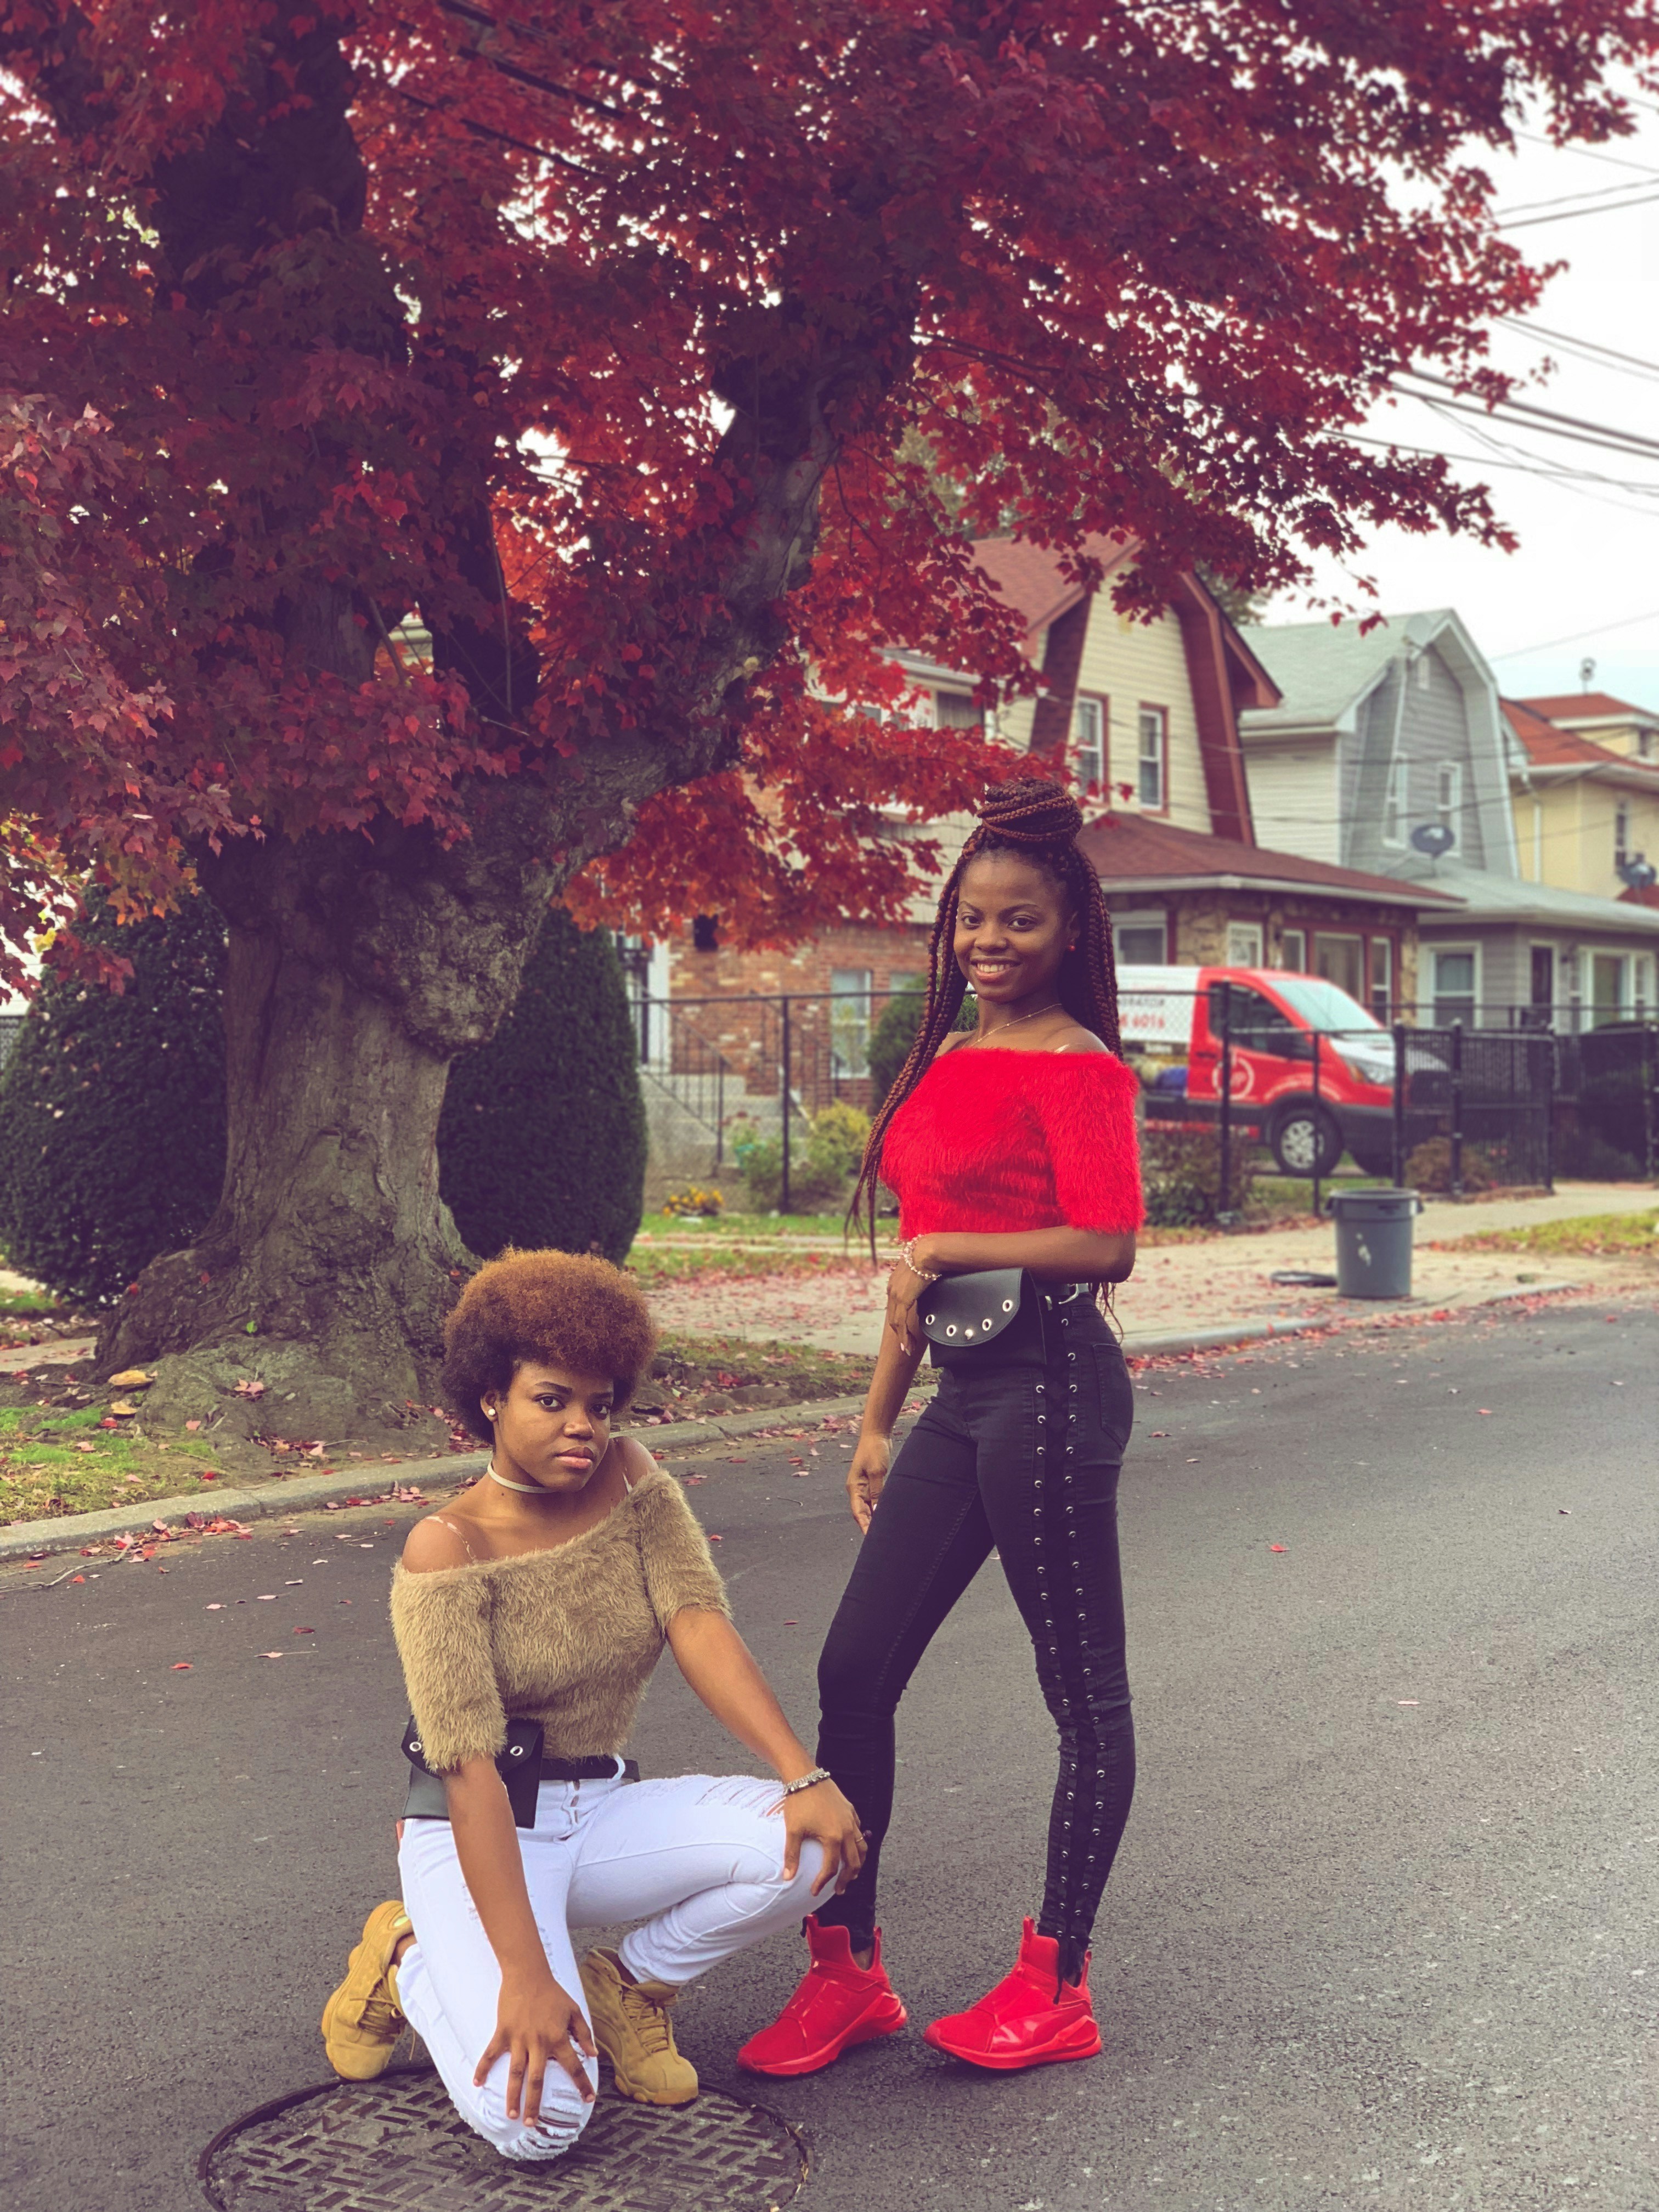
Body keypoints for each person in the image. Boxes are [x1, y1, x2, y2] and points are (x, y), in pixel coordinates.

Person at [738, 777, 1143, 2080]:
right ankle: (847, 1973)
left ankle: (1056, 1982)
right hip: (964, 1394)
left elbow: (1107, 1241)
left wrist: (953, 1243)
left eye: (1018, 922)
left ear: (1069, 928)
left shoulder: (1080, 1068)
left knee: (1080, 1698)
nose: (988, 943)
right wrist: (875, 1418)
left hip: (1056, 1386)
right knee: (854, 1673)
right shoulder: (956, 1057)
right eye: (972, 919)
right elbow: (915, 1272)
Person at [319, 1249, 864, 2163]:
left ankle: (628, 1987)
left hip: (599, 1809)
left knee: (816, 1850)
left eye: (602, 1404)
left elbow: (695, 1620)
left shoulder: (630, 1477)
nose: (584, 1426)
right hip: (475, 1832)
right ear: (491, 1394)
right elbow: (469, 1769)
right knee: (541, 2125)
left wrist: (798, 1772)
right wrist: (527, 1979)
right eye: (552, 1399)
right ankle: (406, 1957)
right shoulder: (445, 1547)